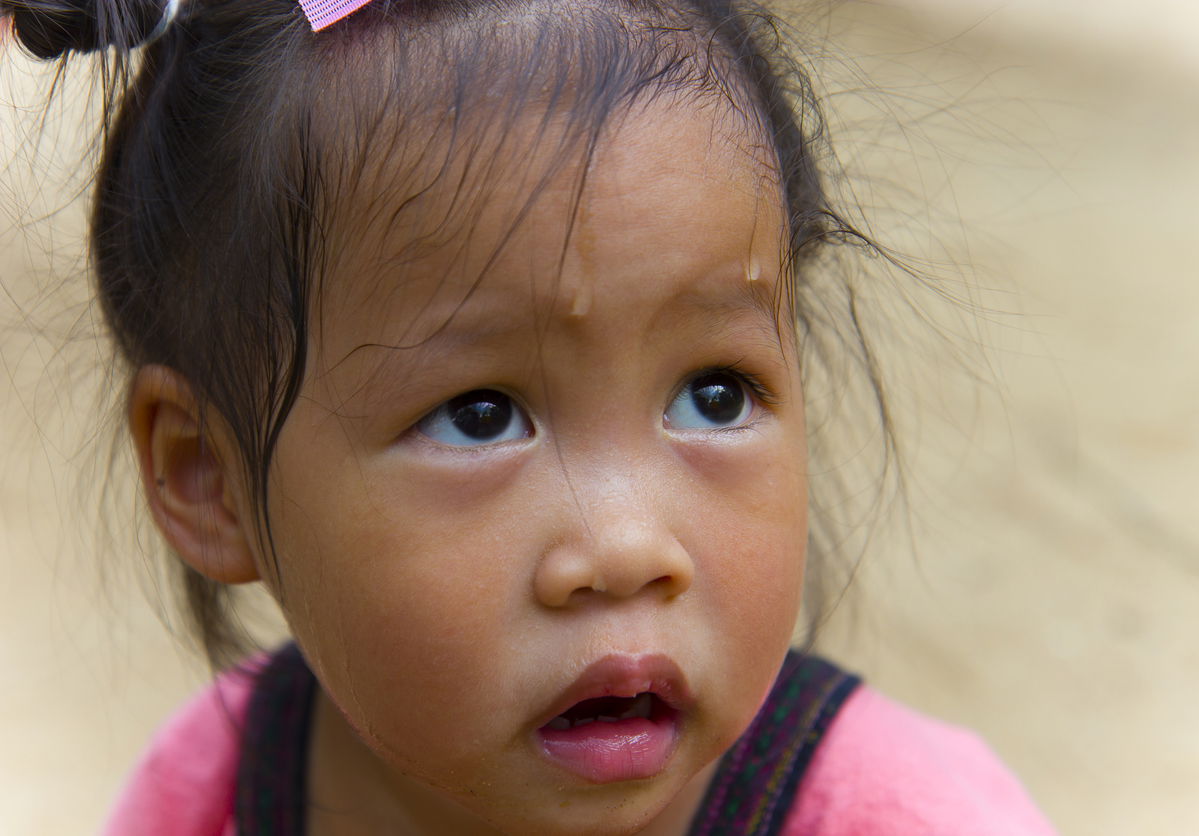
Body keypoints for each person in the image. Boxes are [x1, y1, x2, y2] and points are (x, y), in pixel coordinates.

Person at [3, 0, 1056, 833]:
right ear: (208, 476)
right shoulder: (222, 786)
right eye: (480, 415)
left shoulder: (911, 815)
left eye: (715, 394)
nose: (629, 547)